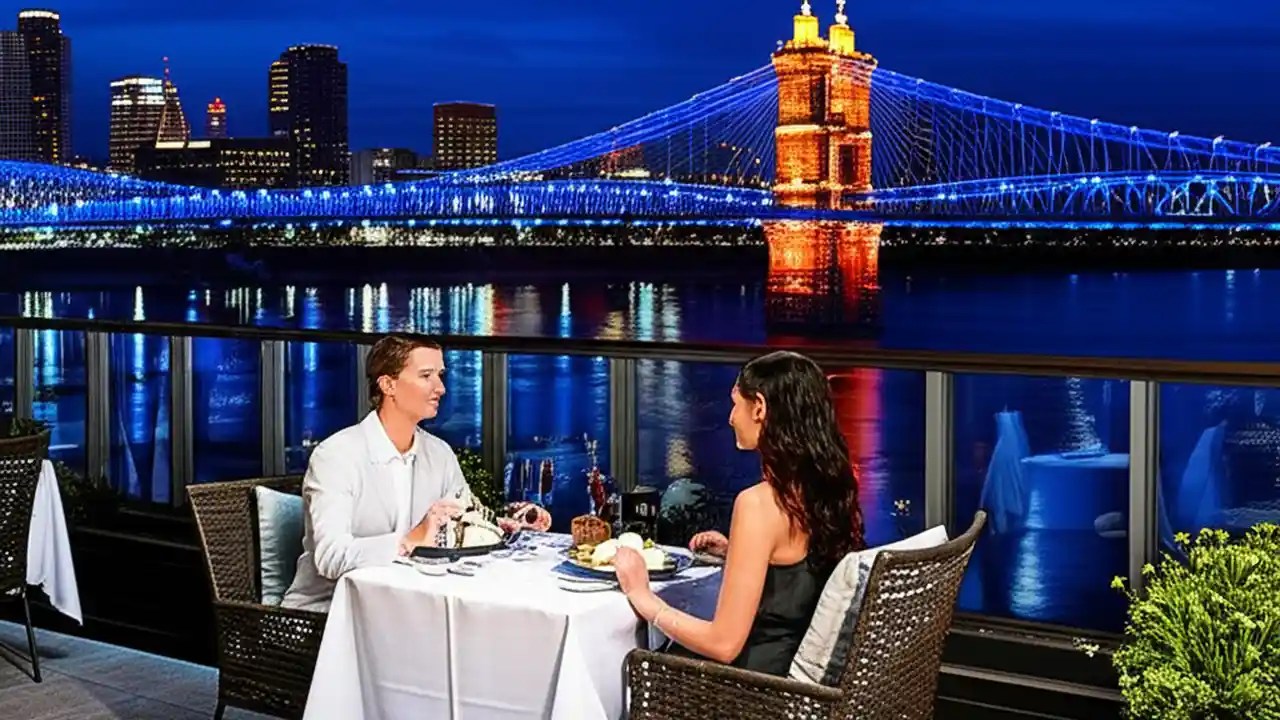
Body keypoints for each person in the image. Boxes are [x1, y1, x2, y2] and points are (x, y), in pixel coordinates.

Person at [613, 350, 866, 676]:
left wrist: (644, 598)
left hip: (748, 690)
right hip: (795, 681)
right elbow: (802, 574)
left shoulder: (759, 504)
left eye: (736, 403)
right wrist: (741, 552)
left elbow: (724, 644)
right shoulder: (827, 489)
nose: (731, 417)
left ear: (759, 407)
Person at [282, 334, 479, 612]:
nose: (441, 388)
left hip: (412, 605)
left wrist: (506, 526)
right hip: (331, 613)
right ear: (388, 385)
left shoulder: (440, 454)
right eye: (426, 376)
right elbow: (330, 557)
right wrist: (408, 541)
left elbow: (465, 523)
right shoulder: (336, 456)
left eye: (440, 375)